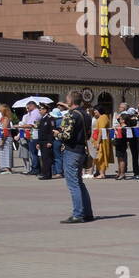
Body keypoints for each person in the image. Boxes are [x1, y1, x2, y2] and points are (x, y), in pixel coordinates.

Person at [58, 91, 95, 223]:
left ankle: (78, 214)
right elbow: (89, 134)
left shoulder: (71, 115)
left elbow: (66, 135)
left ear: (70, 101)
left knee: (73, 184)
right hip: (81, 150)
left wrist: (57, 133)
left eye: (67, 98)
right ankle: (88, 213)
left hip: (71, 150)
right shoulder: (86, 115)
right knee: (79, 183)